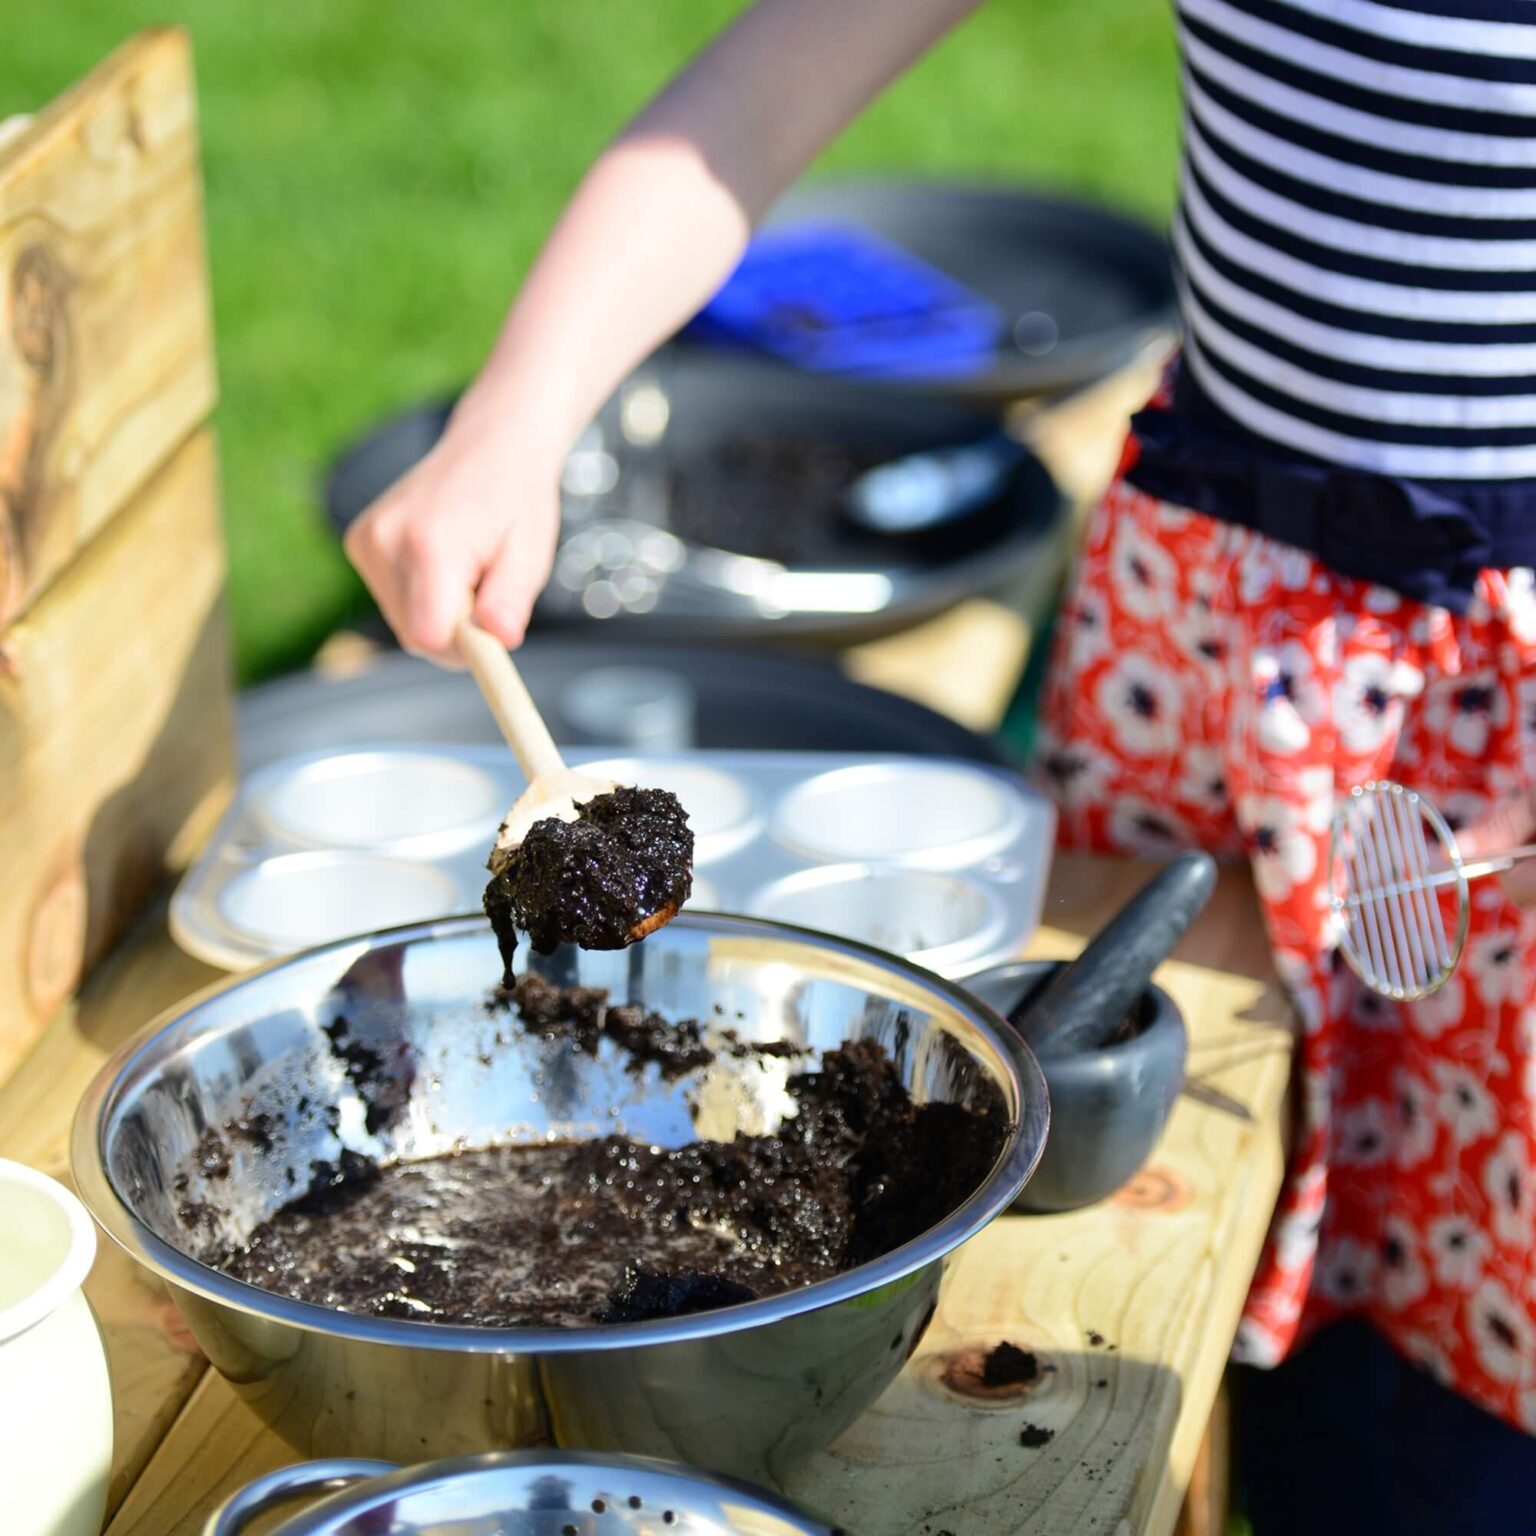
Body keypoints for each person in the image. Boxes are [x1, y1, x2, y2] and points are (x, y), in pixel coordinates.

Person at [346, 2, 1536, 1528]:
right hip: (1227, 643)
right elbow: (769, 77)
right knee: (1195, 1272)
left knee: (1472, 1377)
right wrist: (520, 411)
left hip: (1497, 699)